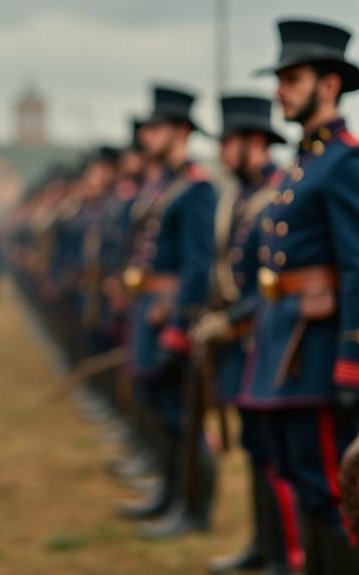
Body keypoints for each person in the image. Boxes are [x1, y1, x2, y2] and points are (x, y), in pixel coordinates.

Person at [242, 18, 359, 573]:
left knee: (328, 489)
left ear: (329, 84)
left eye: (292, 78)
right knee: (298, 474)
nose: (280, 91)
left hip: (319, 349)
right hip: (286, 340)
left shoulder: (345, 161)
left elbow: (358, 266)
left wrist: (351, 363)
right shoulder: (306, 164)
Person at [198, 94, 302, 575]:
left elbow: (274, 283)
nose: (222, 153)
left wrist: (231, 319)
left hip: (267, 339)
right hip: (245, 341)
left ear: (254, 143)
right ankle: (264, 543)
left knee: (276, 453)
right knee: (256, 448)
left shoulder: (275, 196)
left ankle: (287, 553)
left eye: (228, 144)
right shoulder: (240, 197)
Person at [121, 84, 218, 540]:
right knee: (160, 409)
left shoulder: (197, 188)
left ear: (179, 132)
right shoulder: (166, 185)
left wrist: (180, 326)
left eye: (155, 128)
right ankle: (167, 493)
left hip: (170, 312)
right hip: (151, 307)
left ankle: (193, 508)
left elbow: (198, 267)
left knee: (183, 415)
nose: (147, 136)